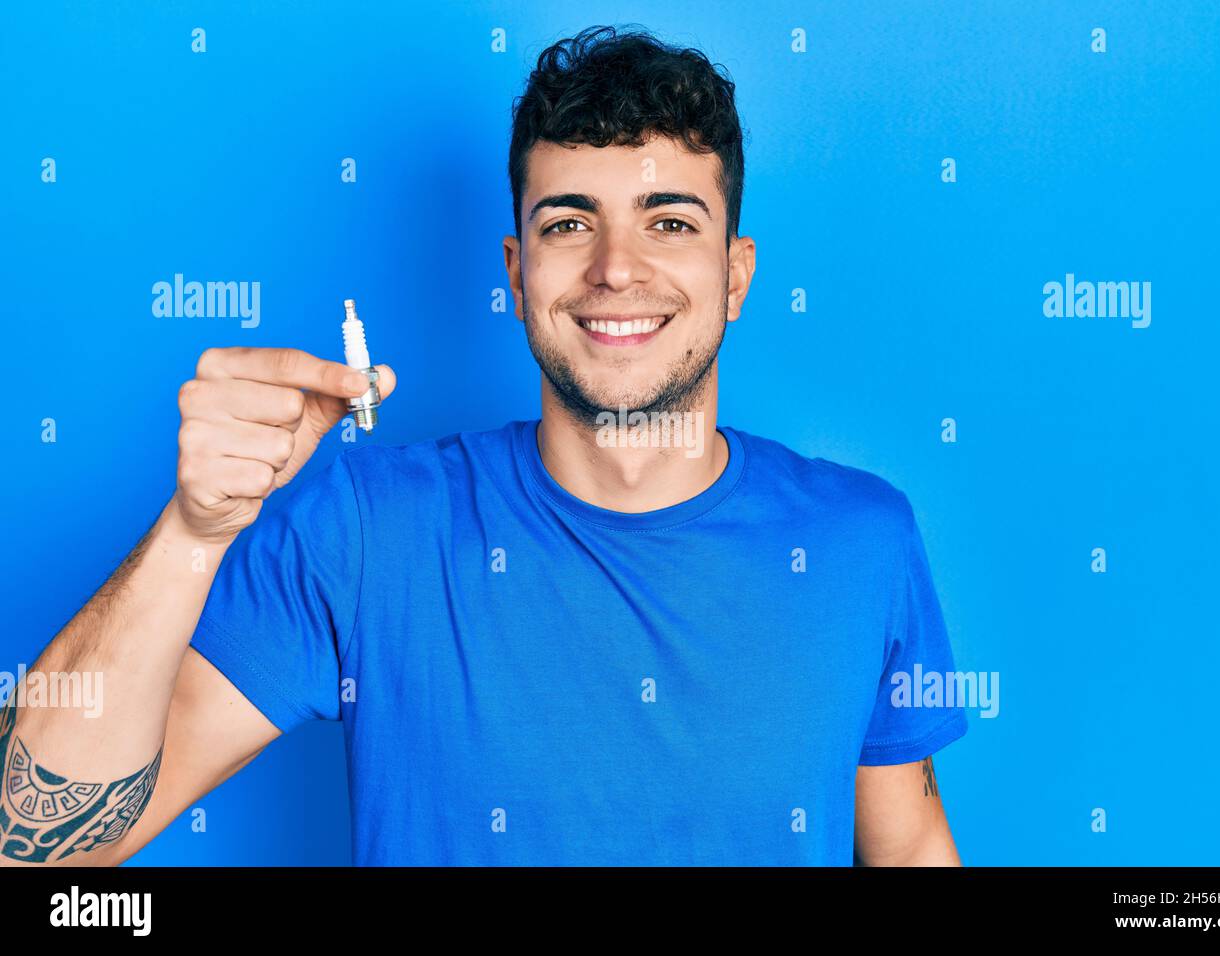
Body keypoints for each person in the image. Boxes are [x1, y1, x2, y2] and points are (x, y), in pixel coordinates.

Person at [0, 25, 966, 867]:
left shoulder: (859, 541)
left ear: (735, 275)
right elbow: (32, 838)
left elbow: (910, 844)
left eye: (668, 222)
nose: (615, 269)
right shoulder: (366, 528)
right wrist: (194, 533)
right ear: (516, 270)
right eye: (568, 222)